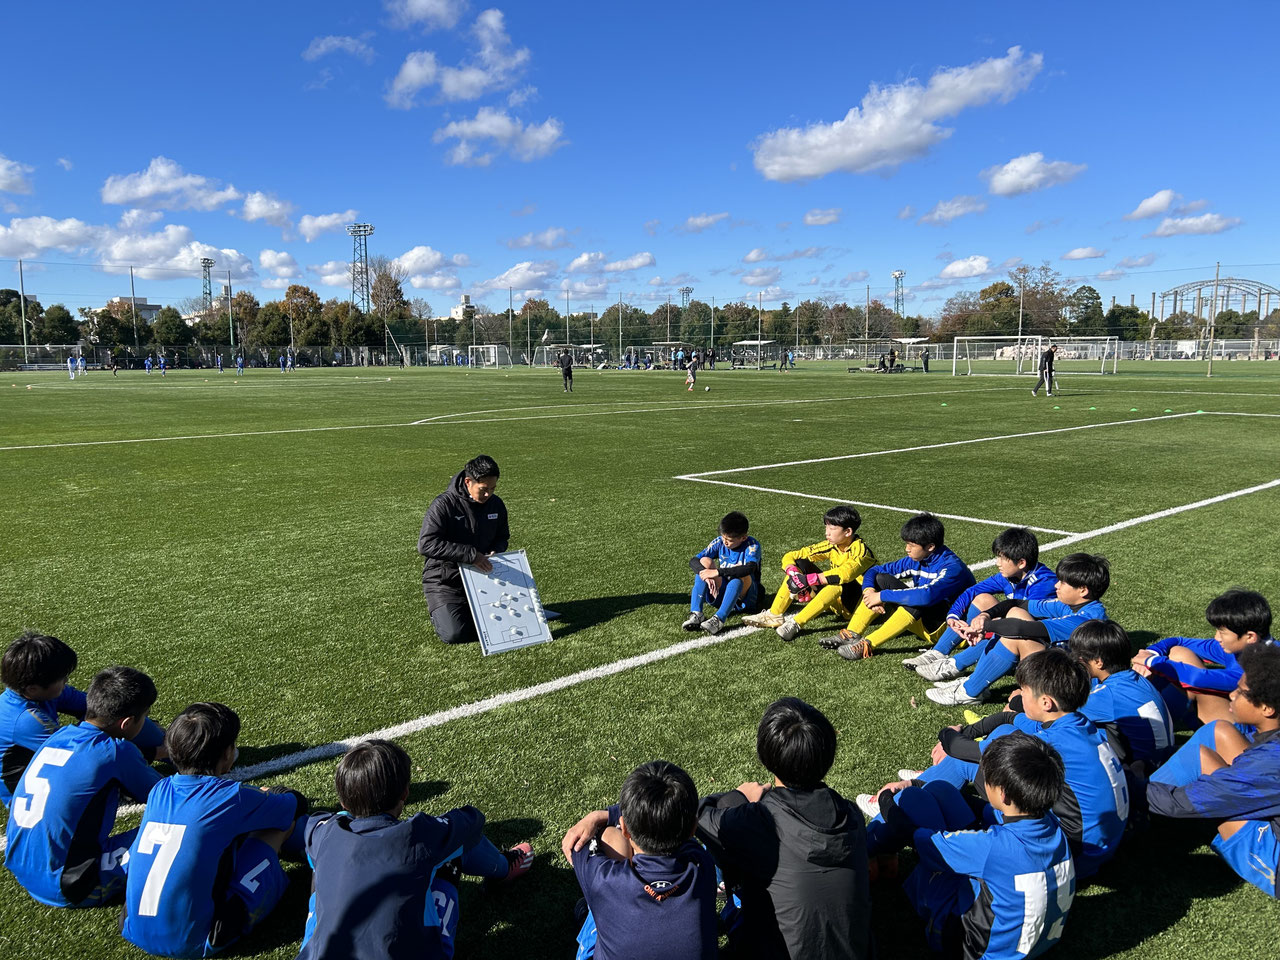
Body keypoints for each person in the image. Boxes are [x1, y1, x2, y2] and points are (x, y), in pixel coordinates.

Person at [875, 648, 1128, 880]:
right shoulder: (1079, 726)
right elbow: (1011, 717)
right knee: (1001, 733)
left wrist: (949, 733)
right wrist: (971, 729)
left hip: (1064, 853)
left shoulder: (1048, 742)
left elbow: (959, 748)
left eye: (1024, 690)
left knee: (961, 762)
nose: (1018, 694)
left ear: (1046, 702)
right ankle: (916, 786)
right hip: (1096, 845)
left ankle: (884, 820)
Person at [298, 739, 533, 960]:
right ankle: (503, 869)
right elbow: (471, 821)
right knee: (449, 854)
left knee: (321, 863)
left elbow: (314, 823)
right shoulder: (418, 835)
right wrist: (435, 825)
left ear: (343, 802)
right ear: (405, 793)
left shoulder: (325, 832)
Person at [120, 702, 310, 957]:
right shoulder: (230, 797)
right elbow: (294, 804)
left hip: (131, 925)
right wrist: (271, 793)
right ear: (226, 755)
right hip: (196, 939)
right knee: (278, 828)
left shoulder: (159, 790)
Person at [863, 733, 1075, 960]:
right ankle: (883, 849)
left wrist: (887, 799)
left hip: (969, 947)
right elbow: (981, 808)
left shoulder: (993, 847)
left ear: (1002, 793)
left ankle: (866, 851)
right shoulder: (1051, 826)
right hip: (1038, 941)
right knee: (941, 790)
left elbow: (914, 836)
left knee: (913, 800)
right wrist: (919, 783)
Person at [694, 698, 870, 958]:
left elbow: (696, 815)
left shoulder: (760, 821)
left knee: (728, 810)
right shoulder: (851, 813)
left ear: (766, 754)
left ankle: (731, 904)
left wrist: (740, 795)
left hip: (773, 948)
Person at [5, 666, 164, 907]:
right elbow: (171, 799)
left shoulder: (57, 737)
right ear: (127, 723)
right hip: (70, 884)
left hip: (23, 868)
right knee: (179, 834)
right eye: (144, 717)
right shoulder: (116, 751)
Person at [1145, 643, 1280, 899]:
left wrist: (1127, 786)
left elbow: (1183, 803)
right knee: (1219, 731)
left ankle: (1128, 816)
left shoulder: (1270, 765)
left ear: (1267, 709)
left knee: (1218, 801)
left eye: (1241, 692)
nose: (1231, 695)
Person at [562, 760, 718, 960]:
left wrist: (598, 816)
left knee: (609, 836)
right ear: (693, 829)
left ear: (625, 828)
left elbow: (578, 844)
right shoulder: (702, 864)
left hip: (609, 892)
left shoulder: (602, 880)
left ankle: (593, 916)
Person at [1, 630, 166, 807]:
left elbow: (100, 709)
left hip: (62, 766)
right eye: (62, 678)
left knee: (127, 721)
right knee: (110, 746)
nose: (66, 681)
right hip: (33, 794)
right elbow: (80, 756)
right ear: (33, 688)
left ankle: (186, 756)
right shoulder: (26, 721)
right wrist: (154, 753)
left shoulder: (40, 694)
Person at [924, 553, 1110, 705]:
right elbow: (1017, 603)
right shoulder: (1070, 604)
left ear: (1083, 590)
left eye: (1062, 582)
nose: (1056, 585)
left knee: (1017, 634)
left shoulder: (1088, 620)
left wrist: (985, 627)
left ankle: (970, 691)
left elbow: (1020, 628)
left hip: (1072, 689)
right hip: (1060, 667)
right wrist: (985, 616)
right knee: (1015, 612)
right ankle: (974, 681)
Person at [904, 527, 1057, 674]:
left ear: (1021, 563)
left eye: (1003, 558)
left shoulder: (1044, 584)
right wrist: (953, 616)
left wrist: (987, 628)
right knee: (983, 599)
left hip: (1038, 646)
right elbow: (972, 591)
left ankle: (954, 665)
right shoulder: (1009, 576)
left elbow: (1022, 625)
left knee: (1007, 621)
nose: (997, 563)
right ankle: (938, 652)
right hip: (1018, 632)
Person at [832, 513, 976, 662]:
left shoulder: (952, 568)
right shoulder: (918, 558)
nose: (907, 549)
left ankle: (867, 644)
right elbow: (874, 571)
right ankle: (851, 634)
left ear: (931, 546)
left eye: (912, 545)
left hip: (952, 632)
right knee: (881, 579)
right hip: (924, 624)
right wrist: (869, 590)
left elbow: (926, 596)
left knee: (918, 599)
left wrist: (881, 596)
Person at [1132, 588, 1272, 727]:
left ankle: (1144, 724)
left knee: (1193, 682)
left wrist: (1151, 662)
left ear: (1250, 636)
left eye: (1222, 632)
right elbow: (1179, 641)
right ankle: (1142, 715)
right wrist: (1152, 653)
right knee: (1179, 652)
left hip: (1249, 736)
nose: (1216, 637)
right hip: (1232, 712)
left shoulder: (1264, 665)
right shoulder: (1244, 646)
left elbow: (1198, 679)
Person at [741, 505, 875, 644]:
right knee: (800, 563)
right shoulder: (833, 545)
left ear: (848, 532)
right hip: (836, 603)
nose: (827, 533)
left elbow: (846, 573)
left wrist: (808, 580)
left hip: (856, 606)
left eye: (832, 529)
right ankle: (774, 614)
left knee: (836, 582)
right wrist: (794, 575)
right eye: (826, 527)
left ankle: (796, 624)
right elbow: (792, 555)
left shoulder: (861, 552)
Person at [417, 455, 510, 645]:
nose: (488, 494)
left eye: (493, 489)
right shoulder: (444, 504)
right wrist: (471, 555)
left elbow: (502, 537)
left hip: (482, 576)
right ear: (468, 482)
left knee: (505, 623)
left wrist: (496, 551)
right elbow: (426, 543)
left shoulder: (496, 504)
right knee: (455, 634)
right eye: (484, 489)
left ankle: (471, 610)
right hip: (445, 579)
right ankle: (441, 613)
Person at [1070, 620, 1175, 769]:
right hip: (1162, 762)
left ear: (1098, 662)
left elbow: (1061, 709)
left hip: (1140, 772)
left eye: (1079, 657)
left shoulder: (1109, 696)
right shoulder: (1135, 679)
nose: (1075, 660)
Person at [685, 511, 762, 636]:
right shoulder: (720, 542)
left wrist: (716, 572)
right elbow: (694, 560)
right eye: (723, 537)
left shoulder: (752, 545)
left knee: (738, 575)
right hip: (722, 592)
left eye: (729, 540)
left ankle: (719, 620)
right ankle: (697, 613)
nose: (725, 542)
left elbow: (750, 569)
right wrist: (705, 574)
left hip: (745, 598)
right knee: (704, 561)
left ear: (743, 538)